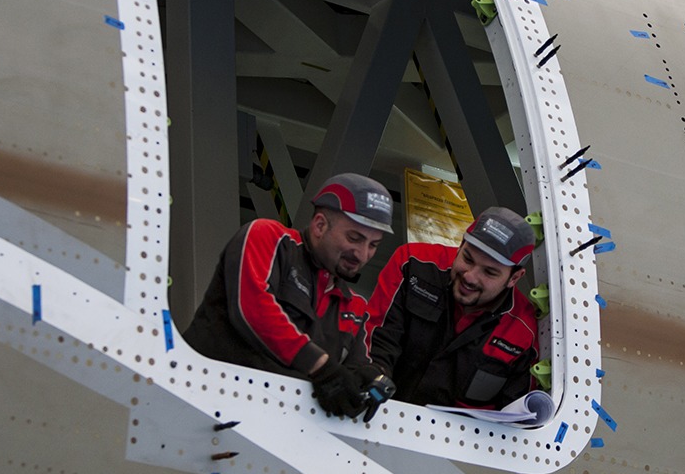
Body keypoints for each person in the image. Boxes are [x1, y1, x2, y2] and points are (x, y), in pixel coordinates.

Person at [182, 172, 394, 419]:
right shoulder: (268, 237)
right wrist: (321, 367)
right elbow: (252, 307)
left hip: (277, 428)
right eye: (354, 238)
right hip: (199, 401)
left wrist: (369, 377)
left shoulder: (355, 307)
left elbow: (352, 370)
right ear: (319, 225)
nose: (362, 254)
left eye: (373, 245)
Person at [366, 207, 538, 410]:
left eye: (489, 272)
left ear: (515, 278)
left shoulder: (524, 331)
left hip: (458, 439)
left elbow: (514, 411)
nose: (470, 277)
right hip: (379, 409)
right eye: (467, 258)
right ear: (461, 244)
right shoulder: (413, 263)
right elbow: (375, 339)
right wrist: (373, 380)